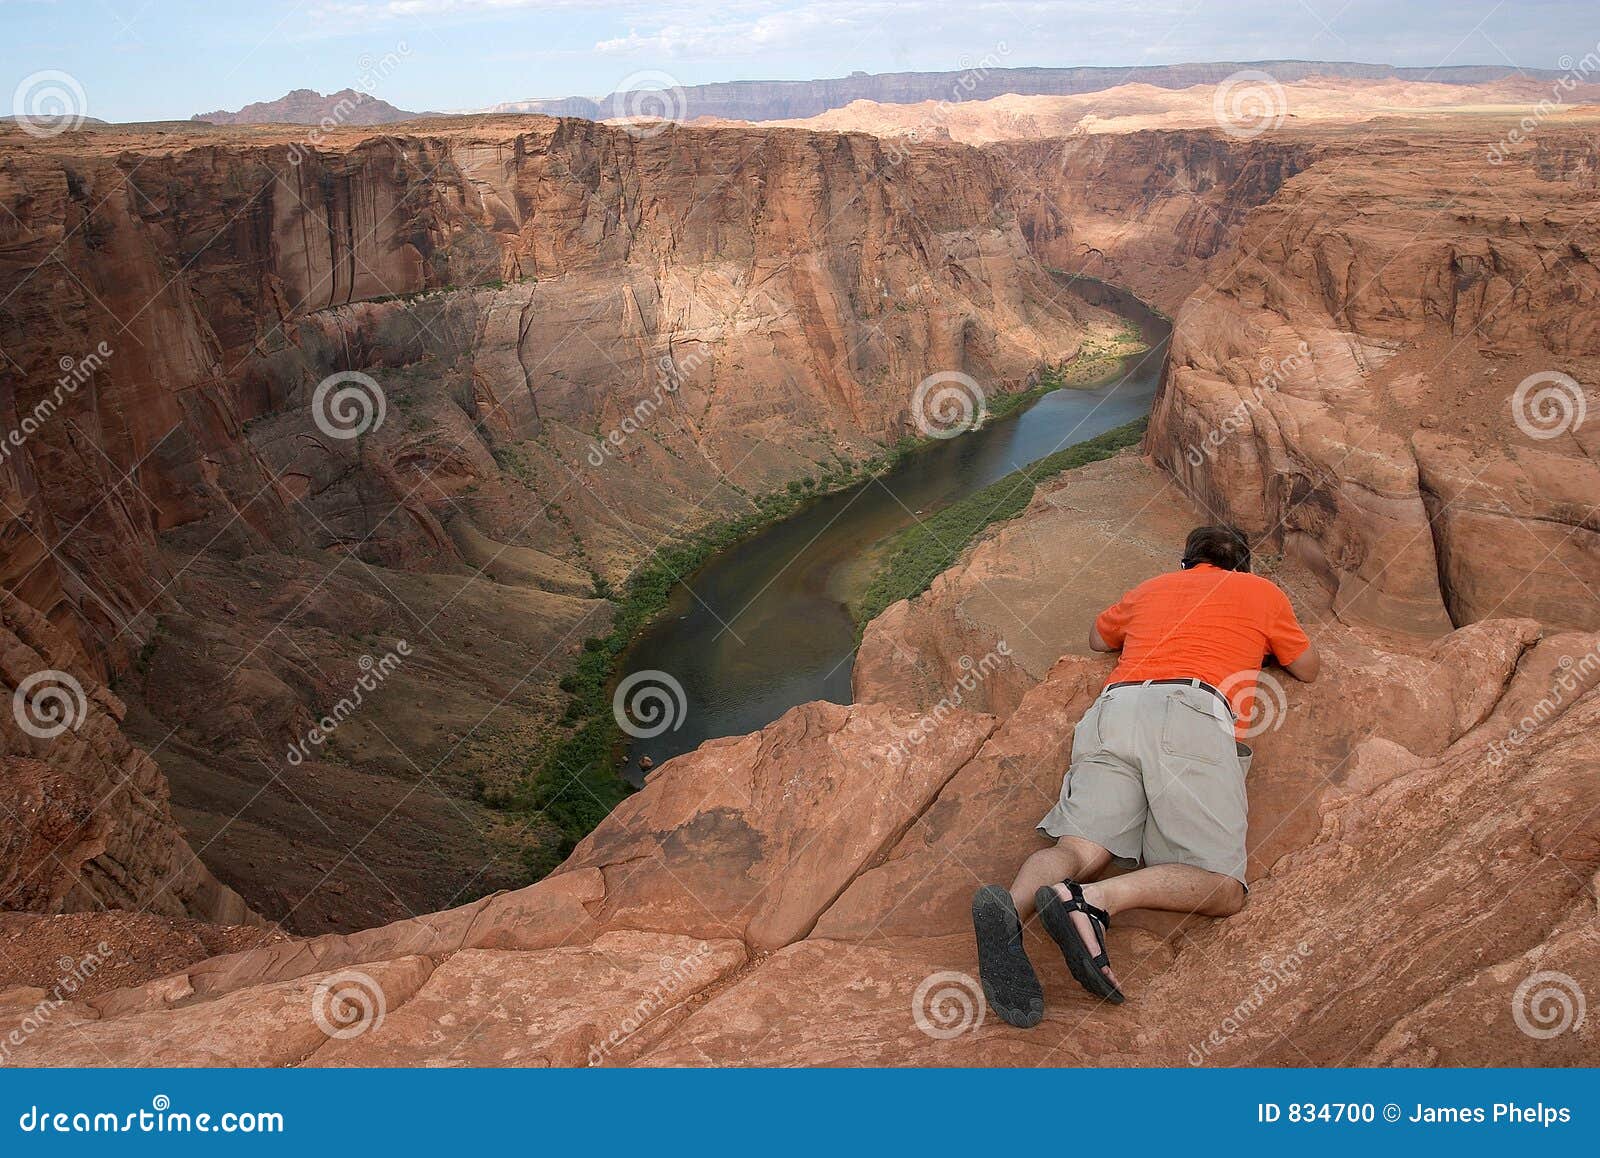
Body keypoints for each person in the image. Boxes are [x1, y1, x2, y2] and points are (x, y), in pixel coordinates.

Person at [971, 525, 1320, 1027]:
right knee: (1221, 886)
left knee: (1081, 850)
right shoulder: (1262, 592)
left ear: (1186, 563)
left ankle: (1012, 910)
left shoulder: (1154, 586)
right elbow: (1307, 667)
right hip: (1191, 714)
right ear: (1243, 567)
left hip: (1113, 709)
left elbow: (1097, 638)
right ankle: (1091, 902)